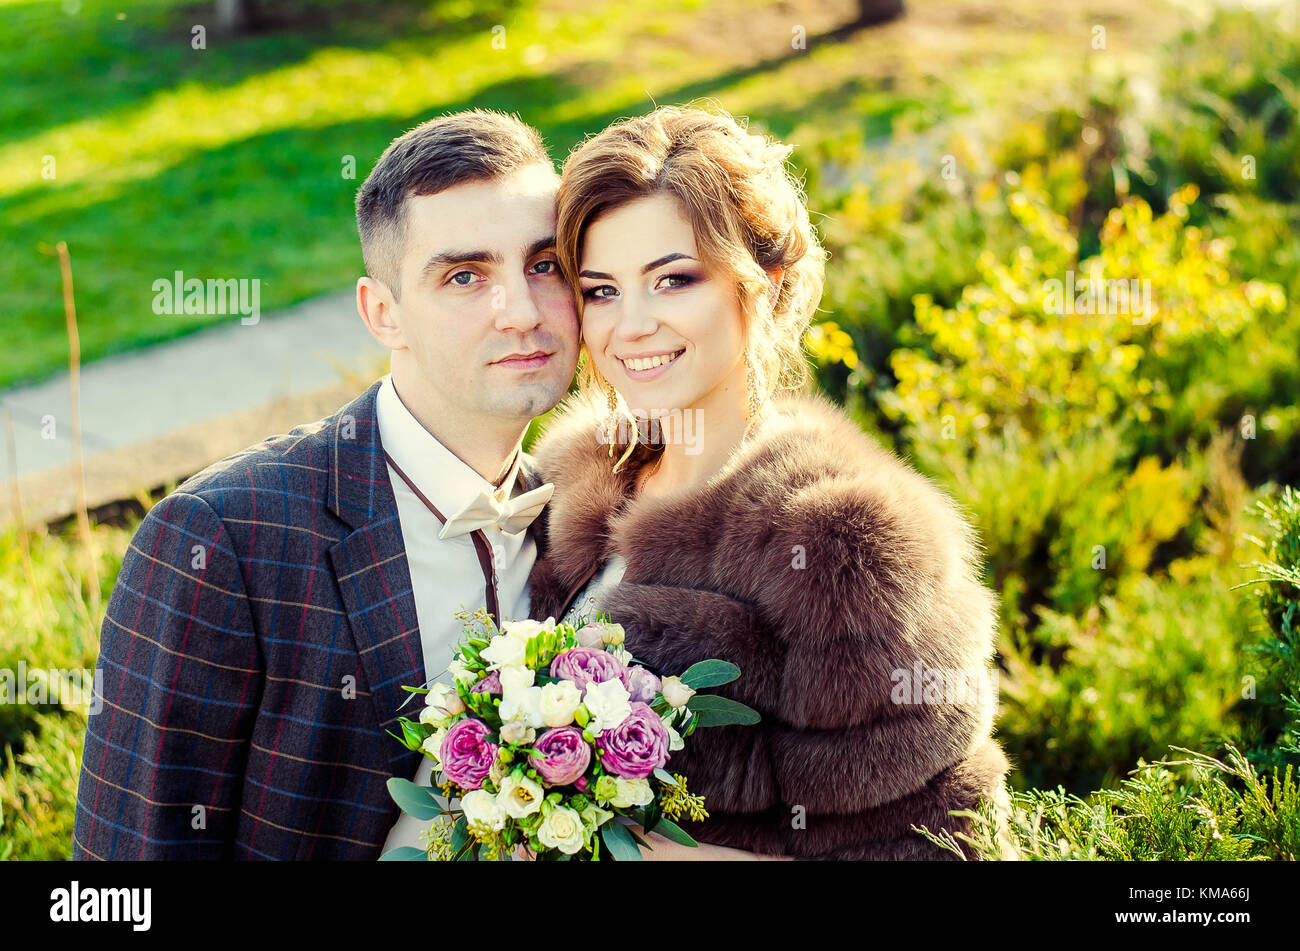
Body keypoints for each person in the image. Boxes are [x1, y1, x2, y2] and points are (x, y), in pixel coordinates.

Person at [72, 109, 580, 860]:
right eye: (465, 276)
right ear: (384, 314)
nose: (522, 311)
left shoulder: (583, 527)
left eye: (544, 265)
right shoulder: (221, 538)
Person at [527, 104, 1016, 860]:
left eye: (674, 280)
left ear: (762, 283)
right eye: (601, 290)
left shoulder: (845, 544)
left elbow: (952, 840)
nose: (632, 326)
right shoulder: (569, 487)